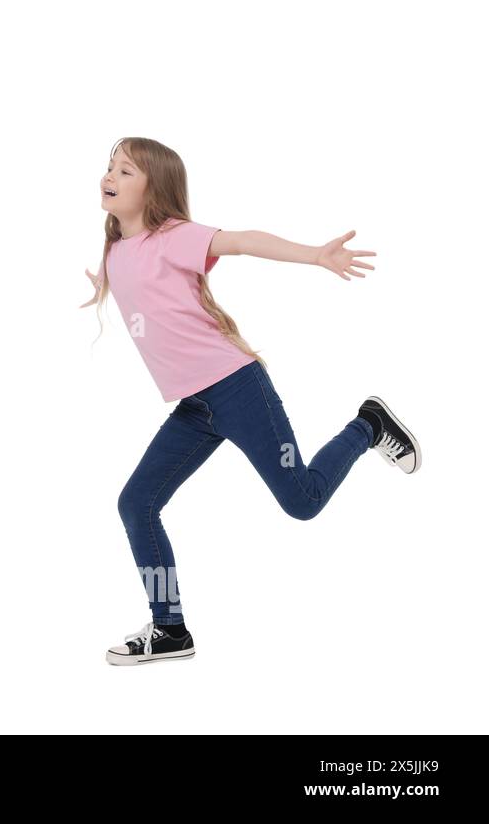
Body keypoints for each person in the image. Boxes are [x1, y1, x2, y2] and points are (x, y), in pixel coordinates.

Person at [80, 137, 420, 666]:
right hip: (195, 408)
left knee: (302, 501)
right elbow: (132, 282)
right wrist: (102, 284)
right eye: (110, 167)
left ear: (154, 189)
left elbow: (240, 242)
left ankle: (367, 426)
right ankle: (170, 629)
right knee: (136, 503)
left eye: (126, 171)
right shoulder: (115, 250)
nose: (110, 176)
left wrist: (314, 255)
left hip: (238, 389)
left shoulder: (175, 237)